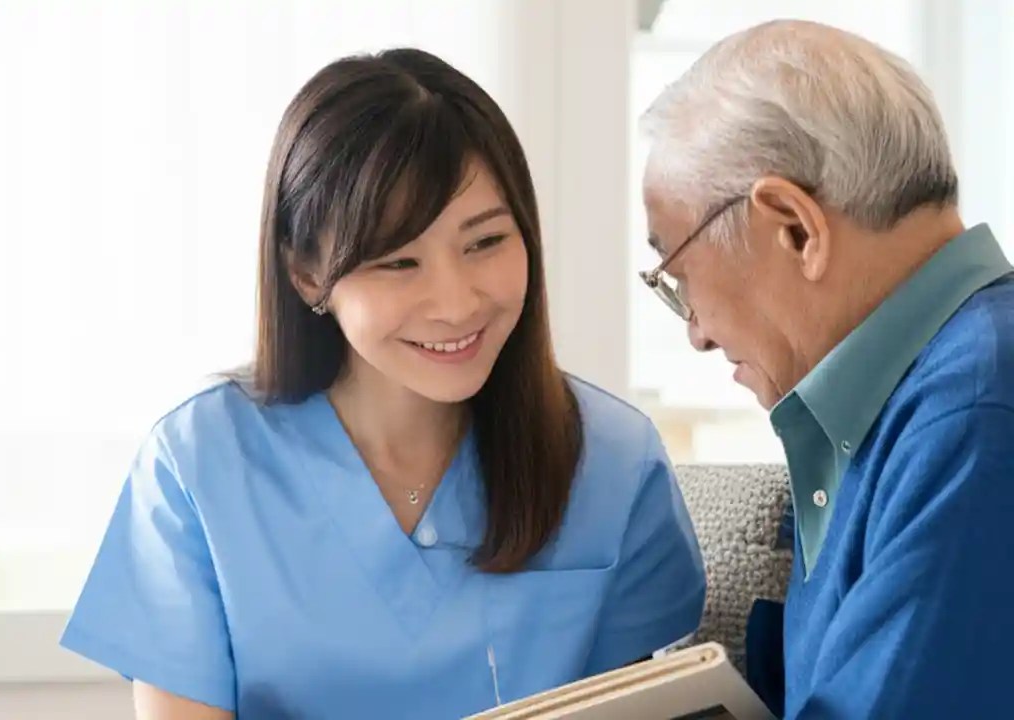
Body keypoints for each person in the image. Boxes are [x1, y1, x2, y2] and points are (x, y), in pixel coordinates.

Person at [60, 48, 705, 719]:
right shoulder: (198, 462)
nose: (456, 303)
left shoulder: (615, 462)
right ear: (307, 272)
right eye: (399, 262)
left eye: (484, 243)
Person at [637, 19, 1014, 720]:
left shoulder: (977, 414)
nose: (696, 334)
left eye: (679, 274)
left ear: (795, 228)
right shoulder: (910, 404)